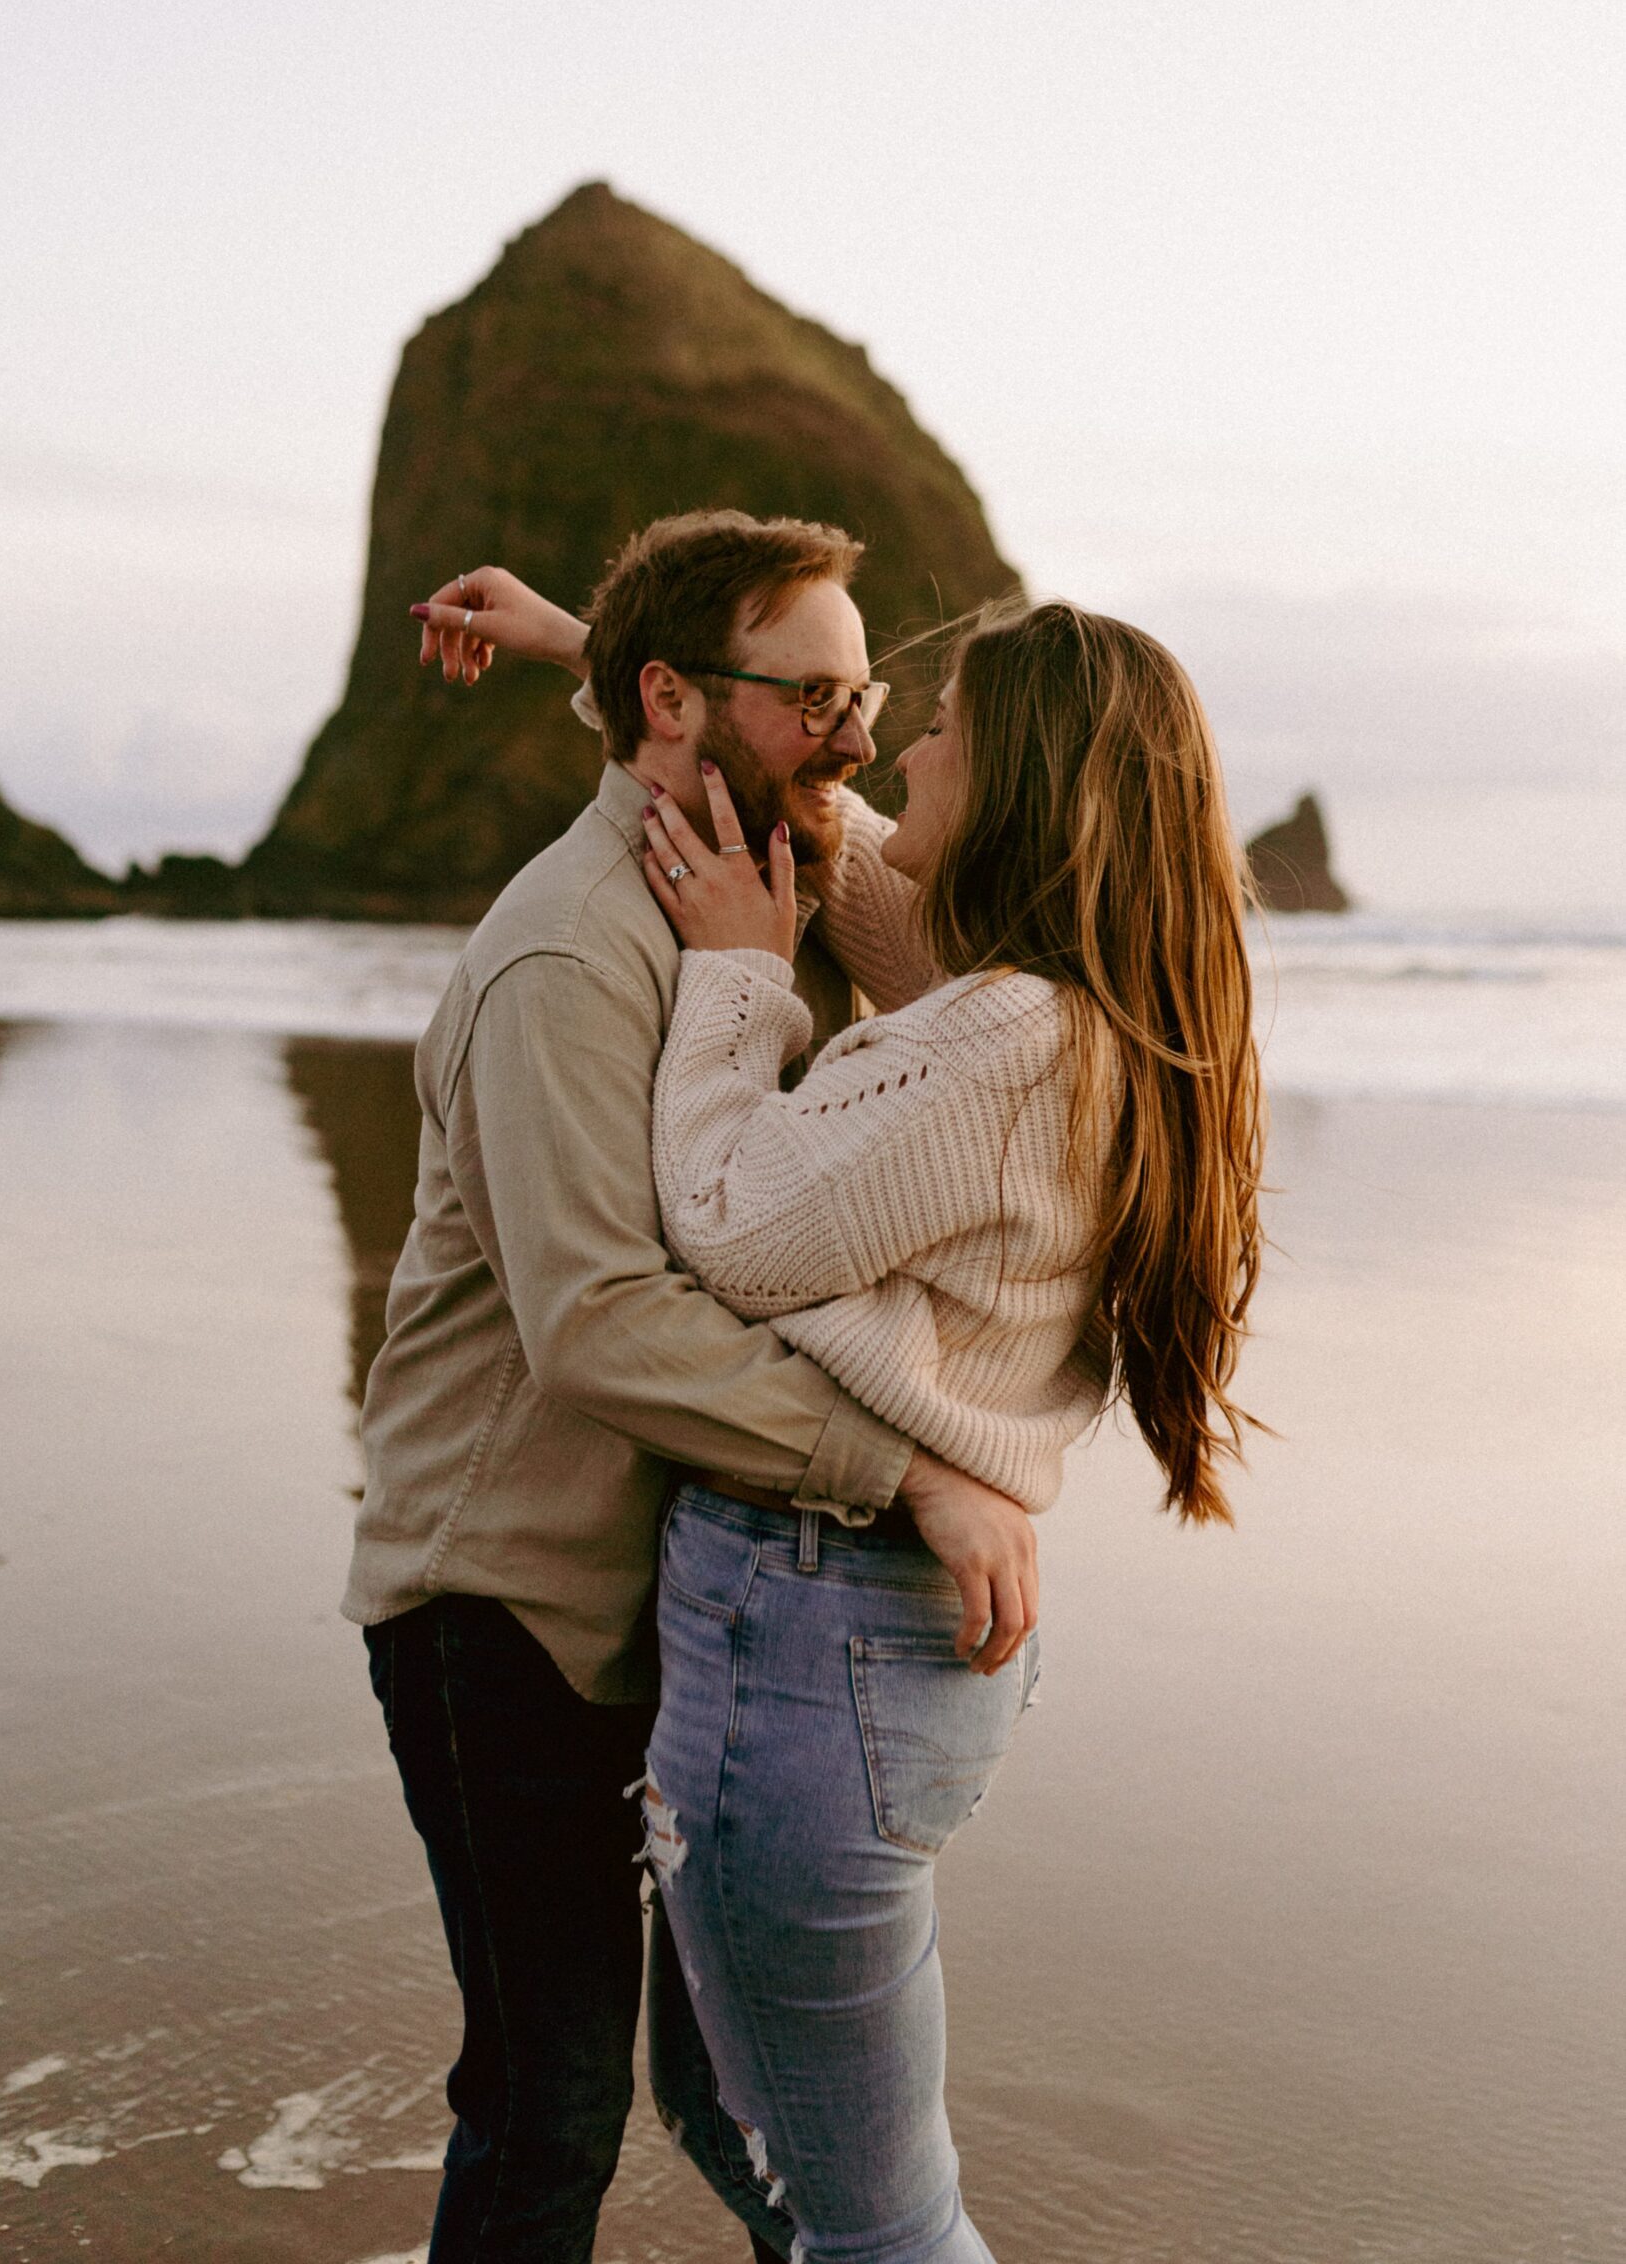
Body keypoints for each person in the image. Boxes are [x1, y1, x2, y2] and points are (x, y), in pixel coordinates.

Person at [425, 572, 1265, 2261]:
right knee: (749, 2126)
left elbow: (732, 1218)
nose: (886, 744)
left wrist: (742, 979)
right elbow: (817, 809)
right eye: (861, 708)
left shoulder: (1000, 1041)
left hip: (818, 1643)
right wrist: (599, 651)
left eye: (933, 728)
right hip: (881, 1645)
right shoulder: (1071, 993)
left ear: (1013, 782)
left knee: (874, 2223)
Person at [350, 509, 1037, 2264]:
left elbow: (939, 939)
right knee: (549, 2104)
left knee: (728, 2092)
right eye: (821, 697)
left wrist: (596, 646)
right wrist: (907, 1465)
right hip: (499, 1597)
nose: (863, 734)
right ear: (677, 704)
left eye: (868, 689)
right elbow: (598, 1324)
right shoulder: (571, 955)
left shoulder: (758, 861)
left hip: (671, 1597)